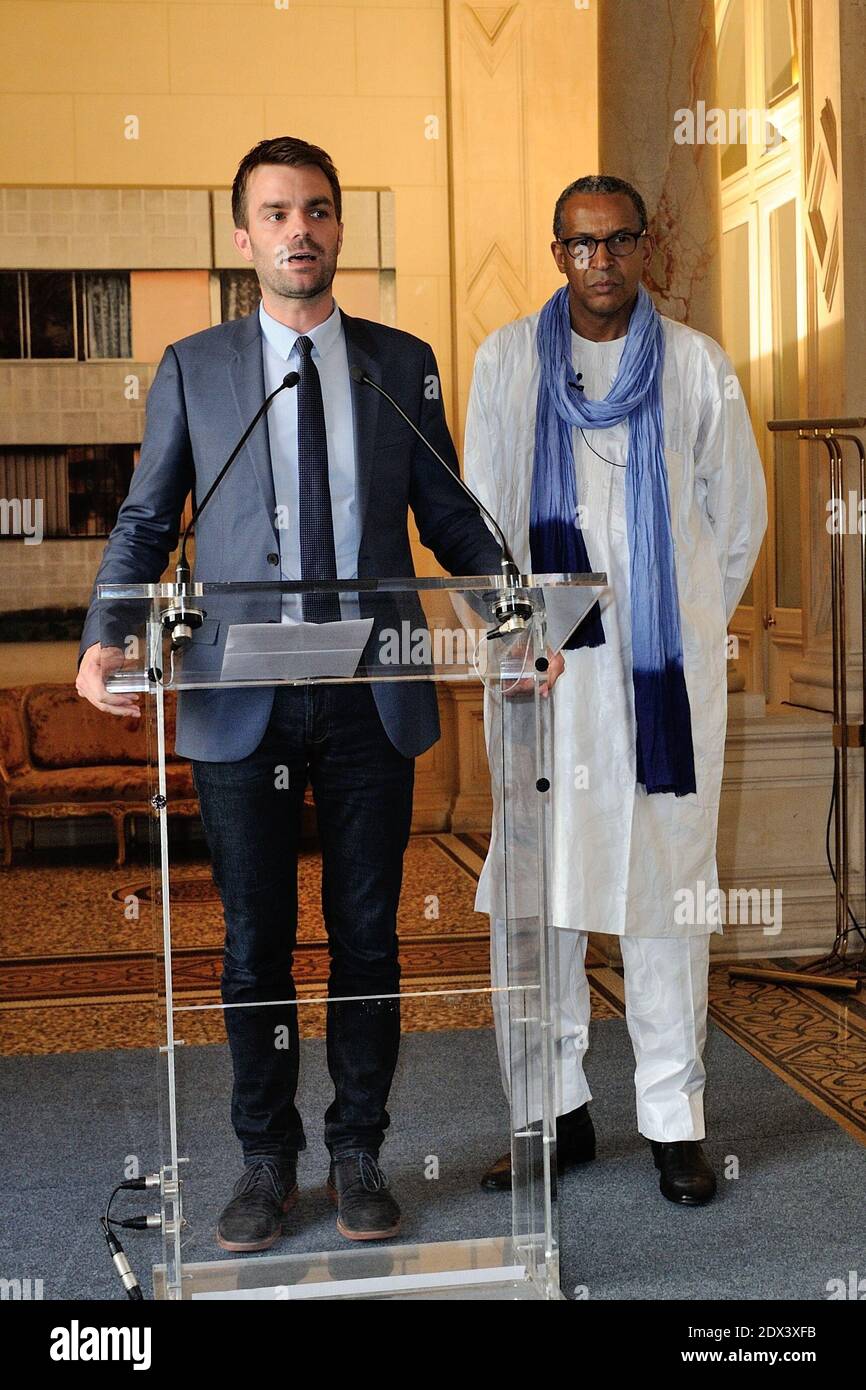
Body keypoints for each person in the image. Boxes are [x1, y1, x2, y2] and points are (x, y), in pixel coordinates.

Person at [76, 136, 503, 1249]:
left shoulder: (400, 361)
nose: (297, 230)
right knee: (255, 941)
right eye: (274, 214)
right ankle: (265, 1162)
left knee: (368, 934)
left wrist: (513, 615)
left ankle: (358, 1147)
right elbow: (144, 518)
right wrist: (107, 635)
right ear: (242, 236)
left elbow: (448, 514)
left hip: (371, 692)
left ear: (338, 228)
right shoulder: (194, 366)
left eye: (315, 210)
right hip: (237, 692)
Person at [463, 174, 767, 1205]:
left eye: (617, 240)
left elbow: (736, 521)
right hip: (544, 680)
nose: (599, 259)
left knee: (664, 898)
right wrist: (521, 639)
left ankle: (671, 1119)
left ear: (645, 250)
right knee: (538, 904)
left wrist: (671, 627)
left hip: (659, 688)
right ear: (557, 254)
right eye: (579, 243)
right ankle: (552, 1112)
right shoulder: (505, 361)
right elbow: (478, 522)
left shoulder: (695, 366)